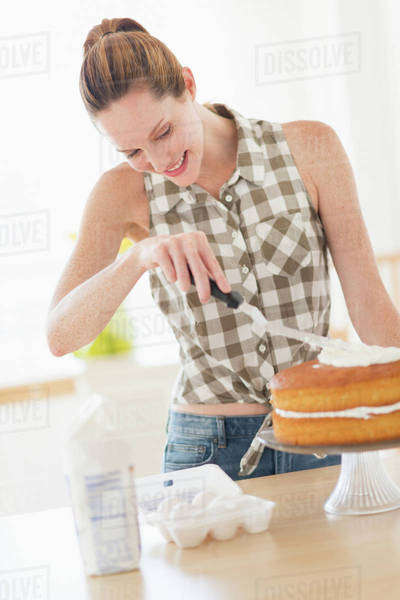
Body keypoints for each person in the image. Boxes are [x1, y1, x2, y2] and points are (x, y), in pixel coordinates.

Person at [47, 17, 400, 480]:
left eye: (163, 133)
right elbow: (61, 335)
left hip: (318, 436)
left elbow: (370, 307)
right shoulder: (121, 194)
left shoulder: (310, 148)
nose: (157, 162)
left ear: (188, 86)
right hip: (205, 454)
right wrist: (141, 255)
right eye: (131, 152)